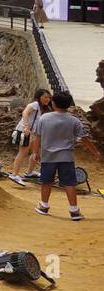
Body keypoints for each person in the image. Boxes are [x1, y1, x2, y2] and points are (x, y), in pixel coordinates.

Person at [31, 92, 101, 221]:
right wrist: (95, 152)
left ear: (53, 103)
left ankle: (44, 206)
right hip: (66, 157)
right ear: (69, 105)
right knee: (69, 183)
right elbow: (84, 138)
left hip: (48, 157)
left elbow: (38, 137)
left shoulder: (44, 118)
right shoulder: (73, 120)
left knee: (46, 182)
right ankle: (74, 211)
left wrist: (35, 152)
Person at [8, 89, 51, 186]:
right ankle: (14, 174)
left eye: (49, 97)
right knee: (23, 152)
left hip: (31, 133)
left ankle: (29, 172)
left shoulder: (41, 108)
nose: (47, 99)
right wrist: (26, 127)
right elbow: (25, 112)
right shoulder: (35, 104)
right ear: (39, 97)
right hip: (24, 131)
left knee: (36, 151)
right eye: (45, 97)